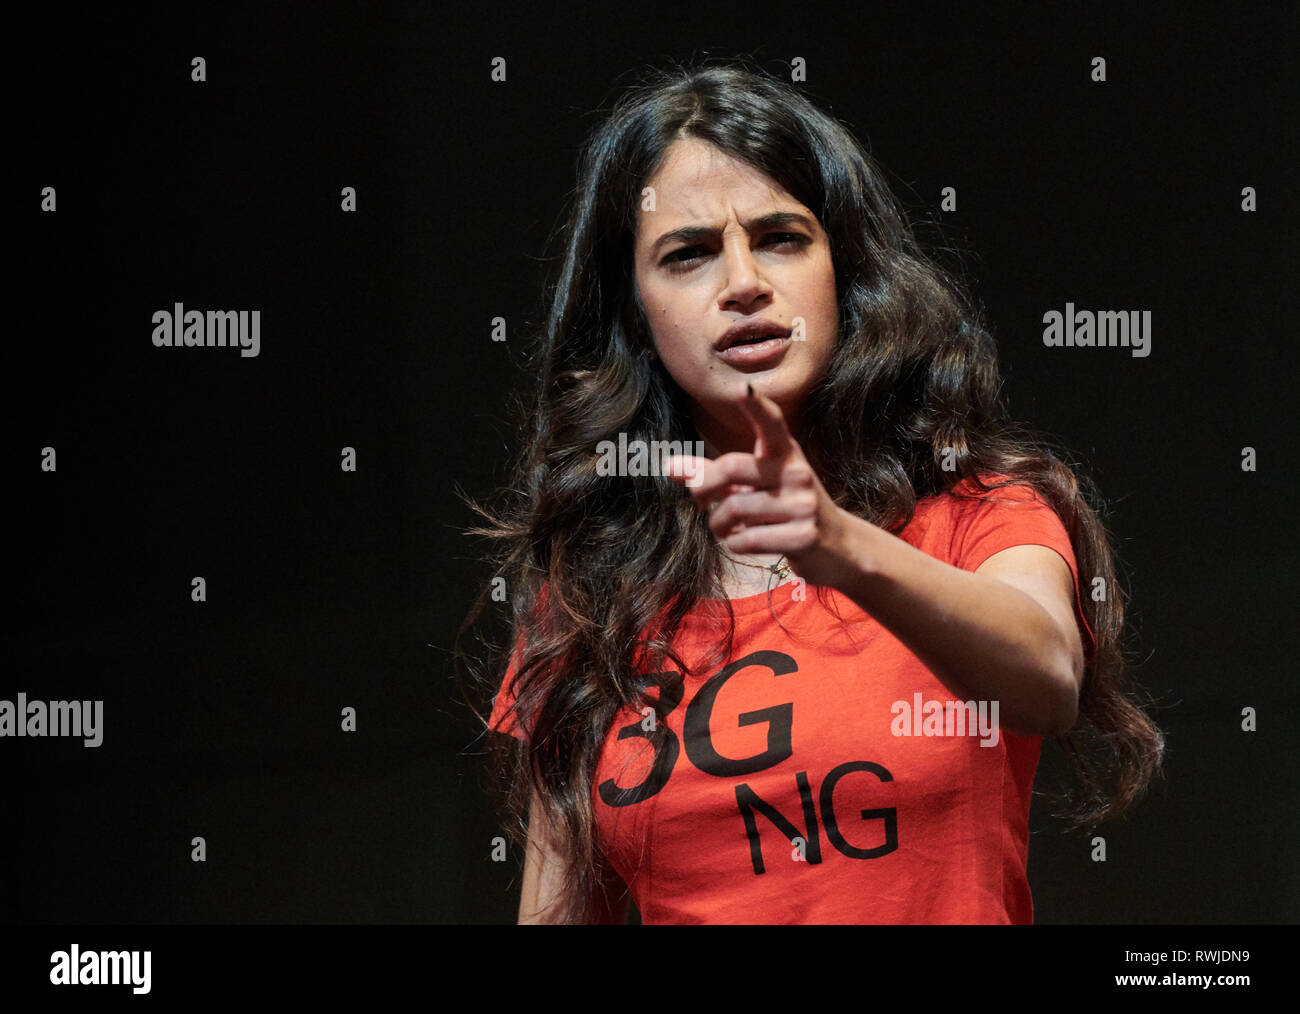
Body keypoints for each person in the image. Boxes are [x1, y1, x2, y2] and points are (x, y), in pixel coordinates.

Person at [456, 60, 1164, 924]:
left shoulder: (979, 509)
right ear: (637, 313)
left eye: (782, 237)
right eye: (688, 255)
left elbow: (1047, 678)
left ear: (845, 269)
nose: (744, 282)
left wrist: (840, 546)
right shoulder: (591, 599)